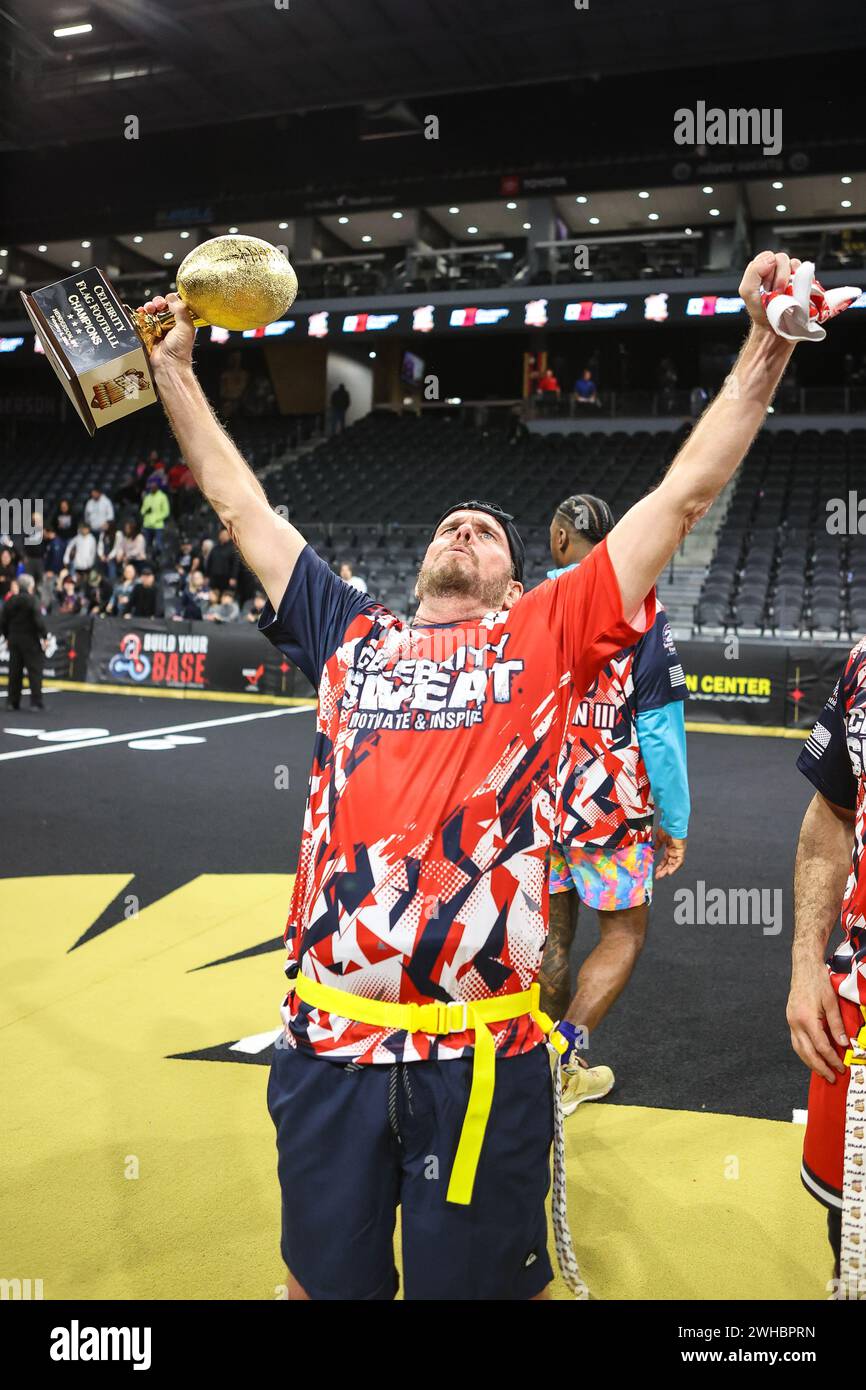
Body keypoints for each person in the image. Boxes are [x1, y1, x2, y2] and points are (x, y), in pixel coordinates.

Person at [136, 250, 799, 1302]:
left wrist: (766, 343)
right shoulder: (349, 632)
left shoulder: (542, 638)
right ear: (421, 563)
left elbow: (682, 494)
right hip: (326, 1045)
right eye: (452, 522)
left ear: (514, 581)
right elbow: (239, 504)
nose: (465, 529)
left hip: (480, 1061)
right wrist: (174, 369)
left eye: (487, 532)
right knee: (323, 1287)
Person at [539, 493, 690, 1112]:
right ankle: (561, 1058)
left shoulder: (529, 605)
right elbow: (659, 729)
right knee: (623, 935)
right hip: (609, 806)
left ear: (558, 541)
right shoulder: (644, 614)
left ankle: (531, 1066)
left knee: (548, 939)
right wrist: (675, 820)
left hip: (538, 797)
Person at [789, 650, 866, 1296]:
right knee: (853, 1242)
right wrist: (806, 964)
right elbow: (830, 820)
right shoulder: (864, 662)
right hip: (859, 1007)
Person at [1, 572, 47, 711]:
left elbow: (3, 621)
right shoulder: (32, 600)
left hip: (14, 640)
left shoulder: (10, 601)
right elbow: (38, 620)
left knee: (14, 672)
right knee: (34, 671)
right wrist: (44, 636)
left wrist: (7, 636)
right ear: (30, 586)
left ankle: (12, 702)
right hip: (30, 640)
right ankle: (36, 702)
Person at [205, 527, 239, 595]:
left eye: (225, 535)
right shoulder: (215, 548)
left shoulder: (232, 549)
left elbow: (235, 565)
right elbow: (209, 562)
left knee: (224, 595)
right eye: (221, 534)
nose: (223, 536)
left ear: (229, 536)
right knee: (213, 595)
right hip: (214, 577)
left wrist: (233, 577)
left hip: (226, 578)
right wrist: (207, 576)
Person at [140, 480, 170, 559]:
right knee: (146, 545)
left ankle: (160, 560)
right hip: (147, 525)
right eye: (151, 486)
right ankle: (148, 560)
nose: (152, 487)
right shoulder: (147, 497)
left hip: (158, 525)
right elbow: (142, 510)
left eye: (154, 486)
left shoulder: (162, 496)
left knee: (158, 545)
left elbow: (166, 511)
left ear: (157, 487)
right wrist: (146, 511)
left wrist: (156, 518)